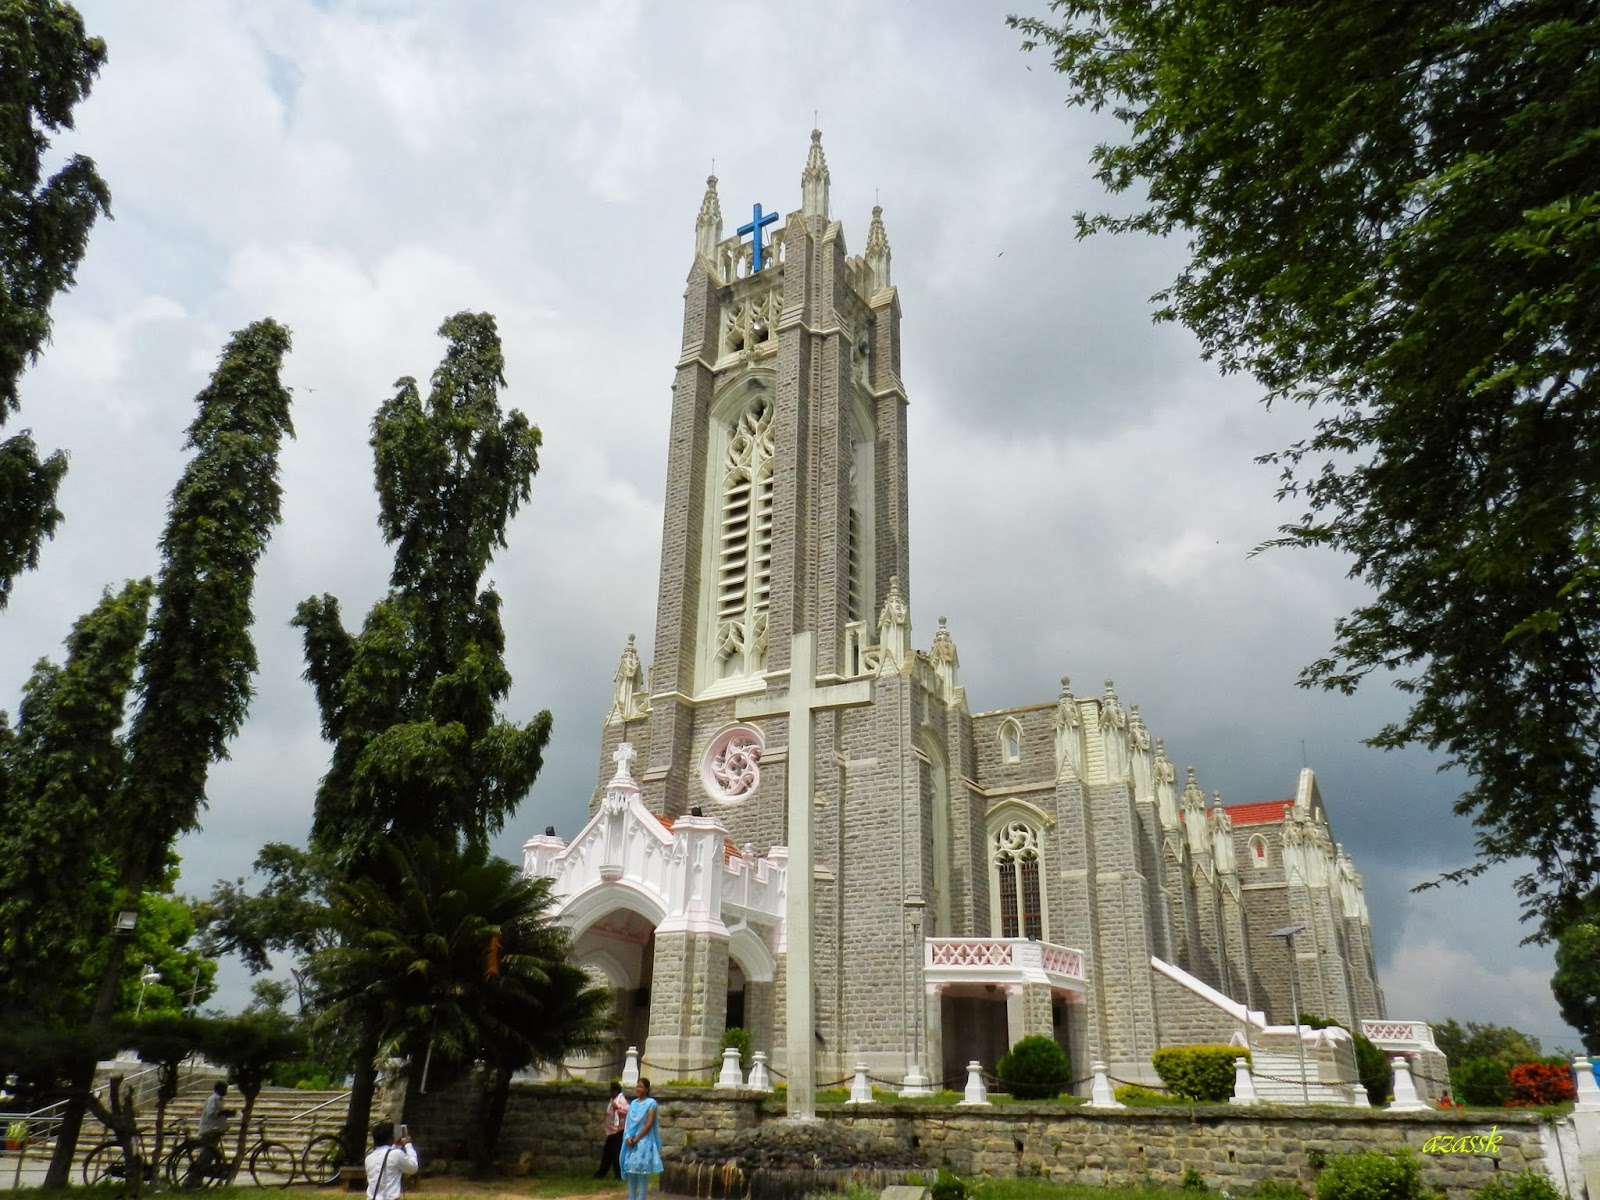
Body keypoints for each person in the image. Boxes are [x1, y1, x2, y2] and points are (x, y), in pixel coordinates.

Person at [620, 1078, 662, 1200]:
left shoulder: (651, 1103)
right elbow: (628, 1122)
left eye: (641, 1087)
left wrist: (637, 1138)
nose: (638, 1089)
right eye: (637, 1086)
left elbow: (649, 1124)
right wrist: (628, 1137)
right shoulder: (633, 1104)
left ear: (647, 1089)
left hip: (644, 1141)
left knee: (642, 1174)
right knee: (631, 1172)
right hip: (631, 1141)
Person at [184, 1081, 232, 1187]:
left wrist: (227, 1113)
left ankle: (197, 1180)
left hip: (215, 1130)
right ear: (219, 1089)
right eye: (225, 1089)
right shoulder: (213, 1099)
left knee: (209, 1156)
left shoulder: (219, 1100)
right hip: (209, 1130)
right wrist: (224, 1112)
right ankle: (192, 1179)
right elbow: (211, 1113)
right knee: (207, 1155)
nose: (226, 1091)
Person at [364, 1121, 418, 1200]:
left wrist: (396, 1145)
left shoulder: (369, 1158)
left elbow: (386, 1159)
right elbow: (413, 1167)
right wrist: (408, 1145)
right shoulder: (396, 1154)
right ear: (391, 1138)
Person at [593, 1080, 629, 1179]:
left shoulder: (621, 1100)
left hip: (617, 1131)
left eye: (612, 1091)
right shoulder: (612, 1100)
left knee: (615, 1154)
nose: (610, 1093)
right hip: (611, 1132)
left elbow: (627, 1111)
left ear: (616, 1091)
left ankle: (617, 1174)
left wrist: (618, 1107)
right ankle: (602, 1173)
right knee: (609, 1153)